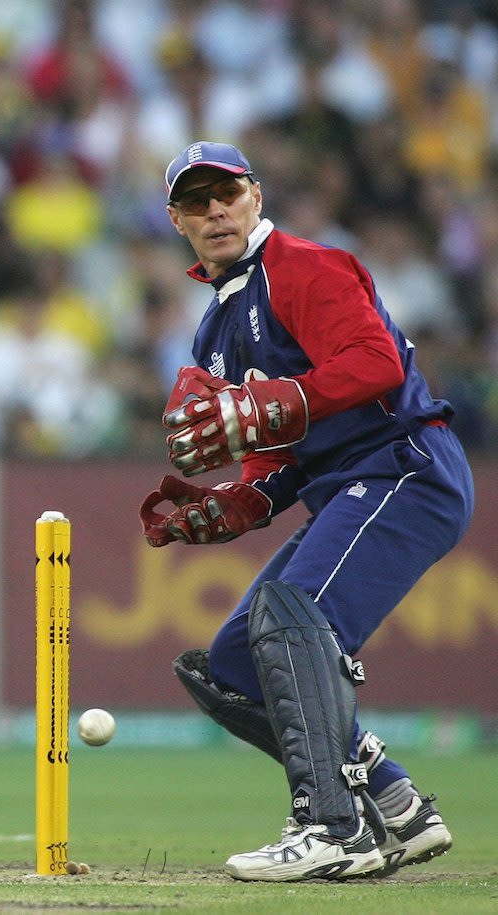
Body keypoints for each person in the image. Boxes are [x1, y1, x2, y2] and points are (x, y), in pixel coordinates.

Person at [138, 141, 472, 882]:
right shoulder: (215, 328)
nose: (215, 211)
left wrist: (271, 401)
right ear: (176, 220)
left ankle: (332, 826)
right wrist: (238, 501)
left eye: (227, 194)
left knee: (292, 620)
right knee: (230, 666)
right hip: (352, 482)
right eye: (196, 202)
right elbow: (277, 452)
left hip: (402, 463)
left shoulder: (304, 266)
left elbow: (376, 363)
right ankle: (397, 806)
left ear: (255, 197)